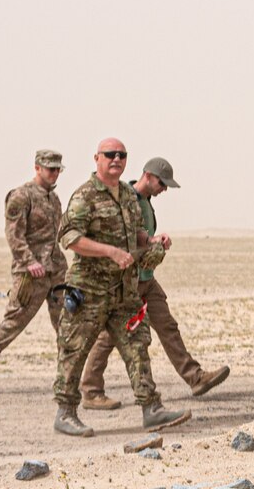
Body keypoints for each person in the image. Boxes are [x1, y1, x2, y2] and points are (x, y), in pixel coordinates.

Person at [47, 139, 189, 437]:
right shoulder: (85, 196)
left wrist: (150, 241)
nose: (116, 159)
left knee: (137, 346)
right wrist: (109, 251)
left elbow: (133, 232)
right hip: (90, 290)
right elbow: (70, 238)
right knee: (74, 350)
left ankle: (151, 408)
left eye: (121, 155)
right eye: (110, 155)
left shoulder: (126, 193)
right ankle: (66, 412)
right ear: (97, 158)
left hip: (123, 291)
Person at [77, 157, 230, 406]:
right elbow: (117, 237)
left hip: (146, 279)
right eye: (162, 182)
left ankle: (195, 377)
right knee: (111, 335)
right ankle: (91, 390)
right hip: (128, 281)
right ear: (148, 175)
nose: (164, 189)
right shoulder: (125, 200)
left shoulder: (146, 202)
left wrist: (155, 241)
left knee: (167, 326)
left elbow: (141, 236)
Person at [0, 149, 66, 393]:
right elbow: (14, 235)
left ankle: (67, 376)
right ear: (37, 168)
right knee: (15, 321)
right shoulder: (21, 196)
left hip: (56, 270)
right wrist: (28, 261)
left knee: (66, 323)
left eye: (57, 169)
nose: (54, 173)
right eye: (50, 168)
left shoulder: (54, 199)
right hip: (31, 273)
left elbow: (58, 233)